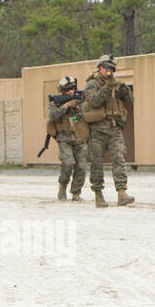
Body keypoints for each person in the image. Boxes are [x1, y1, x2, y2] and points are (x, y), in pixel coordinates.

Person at [82, 54, 135, 207]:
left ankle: (122, 193)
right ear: (99, 68)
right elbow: (94, 101)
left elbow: (131, 101)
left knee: (119, 159)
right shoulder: (92, 84)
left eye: (112, 68)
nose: (109, 71)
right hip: (97, 131)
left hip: (114, 129)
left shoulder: (115, 84)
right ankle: (99, 195)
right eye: (106, 67)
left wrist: (124, 90)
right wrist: (108, 86)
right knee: (96, 163)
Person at [47, 76, 88, 201]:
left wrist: (77, 110)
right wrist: (66, 106)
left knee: (81, 166)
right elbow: (53, 116)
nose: (70, 91)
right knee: (68, 163)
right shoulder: (56, 103)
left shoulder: (80, 100)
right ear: (62, 91)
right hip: (64, 137)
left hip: (79, 137)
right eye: (67, 89)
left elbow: (80, 118)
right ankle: (63, 187)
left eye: (72, 89)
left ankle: (76, 193)